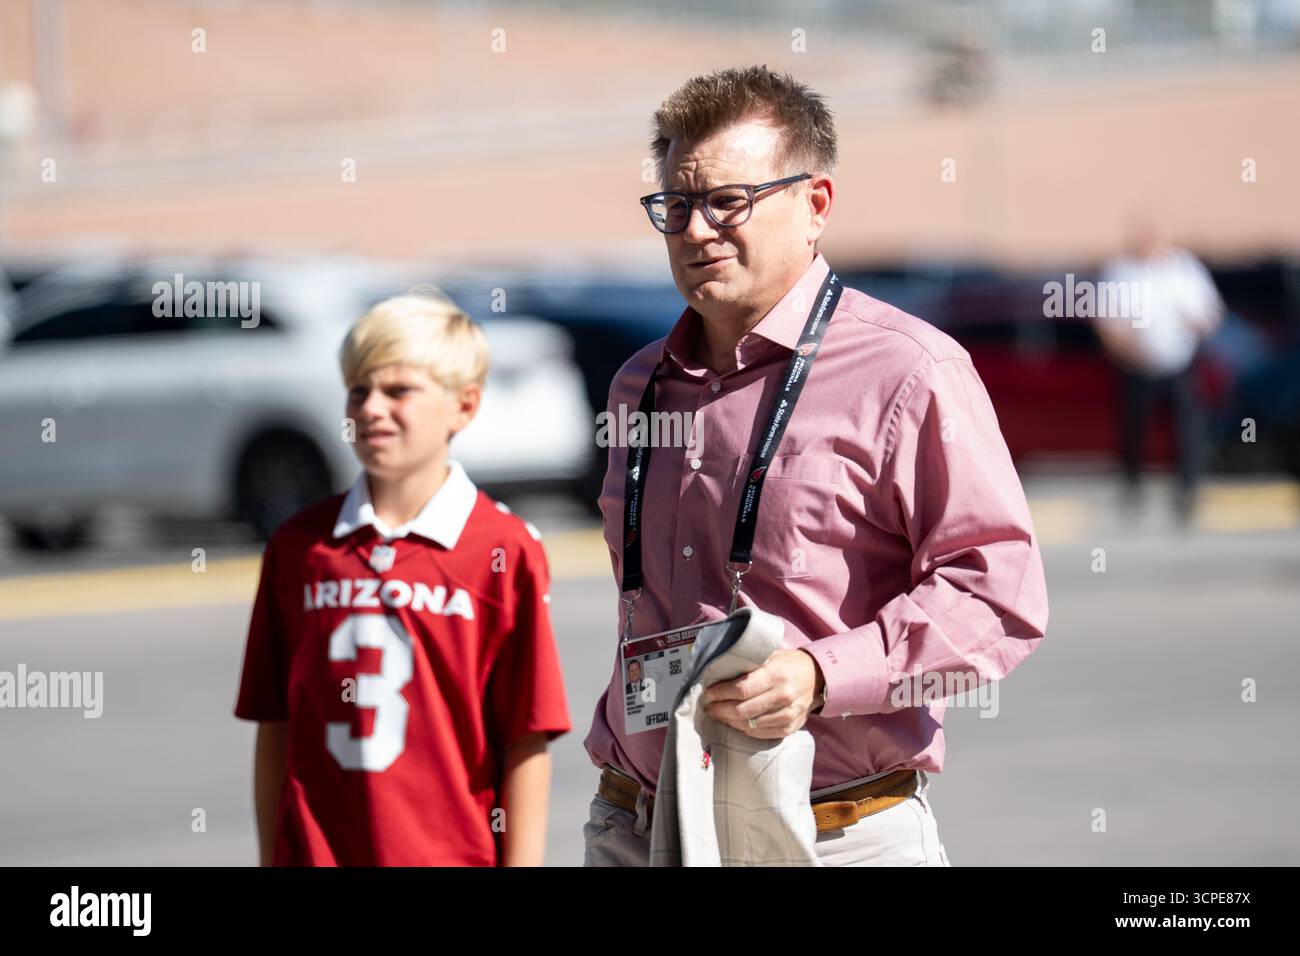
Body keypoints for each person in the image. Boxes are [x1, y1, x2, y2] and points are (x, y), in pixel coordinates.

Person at [580, 65, 1050, 866]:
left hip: (828, 834)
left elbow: (997, 597)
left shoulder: (909, 370)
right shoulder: (640, 383)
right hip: (637, 825)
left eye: (729, 201)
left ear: (815, 205)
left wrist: (820, 674)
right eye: (678, 205)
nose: (696, 231)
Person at [233, 293, 571, 866]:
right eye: (359, 390)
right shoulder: (300, 548)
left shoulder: (502, 549)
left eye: (398, 391)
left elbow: (525, 739)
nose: (371, 408)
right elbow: (275, 727)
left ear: (463, 406)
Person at [1094, 221, 1225, 523]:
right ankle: (1133, 489)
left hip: (1180, 363)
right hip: (1136, 366)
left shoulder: (1184, 269)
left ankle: (1187, 492)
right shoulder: (1122, 272)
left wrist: (1198, 324)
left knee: (1188, 430)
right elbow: (1106, 321)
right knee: (1134, 430)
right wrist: (1123, 346)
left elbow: (1210, 312)